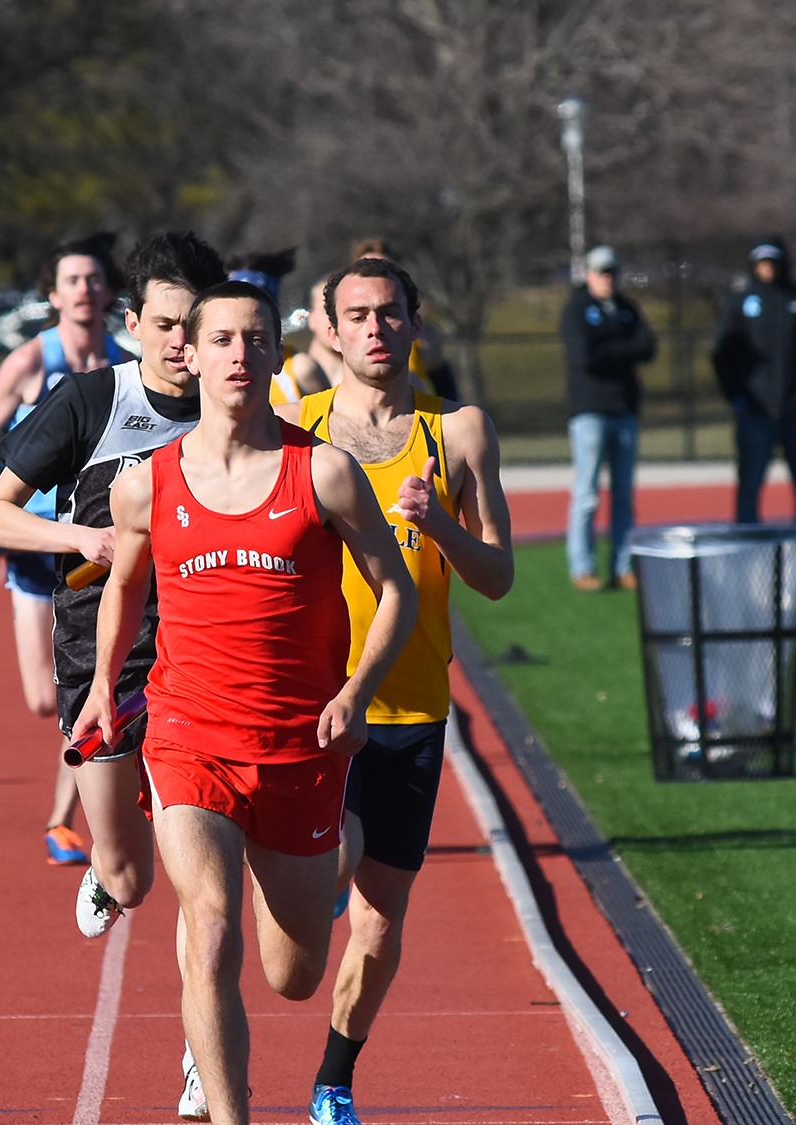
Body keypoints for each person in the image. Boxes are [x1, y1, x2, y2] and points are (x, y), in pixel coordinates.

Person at [73, 280, 417, 1125]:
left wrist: (356, 692)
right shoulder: (146, 483)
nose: (239, 354)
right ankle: (231, 1114)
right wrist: (98, 689)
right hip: (189, 736)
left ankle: (317, 865)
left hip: (300, 749)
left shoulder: (324, 472)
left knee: (293, 976)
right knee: (210, 925)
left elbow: (396, 590)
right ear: (190, 354)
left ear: (275, 352)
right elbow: (121, 588)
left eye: (255, 339)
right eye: (221, 339)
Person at [286, 257, 514, 1125]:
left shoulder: (457, 433)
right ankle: (210, 1032)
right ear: (331, 330)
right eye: (358, 315)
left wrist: (439, 522)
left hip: (411, 712)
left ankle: (333, 1081)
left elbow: (496, 577)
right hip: (313, 708)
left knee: (379, 923)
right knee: (309, 902)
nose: (375, 328)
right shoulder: (291, 428)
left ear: (415, 322)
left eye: (390, 313)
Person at [0, 228, 226, 925]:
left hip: (209, 660)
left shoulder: (236, 410)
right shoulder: (90, 401)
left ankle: (204, 1034)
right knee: (133, 875)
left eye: (195, 325)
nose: (181, 342)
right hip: (103, 659)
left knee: (210, 876)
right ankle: (107, 870)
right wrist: (87, 536)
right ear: (133, 323)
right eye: (166, 324)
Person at [0, 232, 130, 865]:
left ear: (110, 291)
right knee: (42, 696)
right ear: (52, 294)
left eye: (94, 279)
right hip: (36, 542)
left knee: (87, 681)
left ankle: (65, 818)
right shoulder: (34, 359)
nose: (85, 290)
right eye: (72, 281)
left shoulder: (124, 363)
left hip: (98, 548)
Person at [712, 234, 796, 586]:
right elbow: (723, 356)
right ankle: (747, 556)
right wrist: (738, 398)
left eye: (774, 262)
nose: (768, 269)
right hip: (755, 413)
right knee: (750, 486)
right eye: (762, 262)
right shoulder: (740, 302)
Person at [560, 244, 655, 592]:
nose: (608, 278)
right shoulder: (576, 309)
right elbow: (585, 356)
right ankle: (583, 566)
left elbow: (648, 346)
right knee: (587, 494)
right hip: (589, 412)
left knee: (623, 495)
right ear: (588, 275)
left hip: (625, 410)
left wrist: (611, 349)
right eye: (601, 272)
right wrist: (623, 350)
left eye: (612, 272)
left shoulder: (627, 307)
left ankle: (623, 565)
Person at [349, 237, 458, 399]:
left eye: (383, 271)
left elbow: (446, 390)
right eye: (366, 270)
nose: (375, 279)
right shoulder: (343, 337)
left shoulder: (426, 337)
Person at [278, 273, 345, 404]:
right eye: (327, 310)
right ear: (311, 318)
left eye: (344, 310)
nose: (335, 318)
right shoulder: (289, 370)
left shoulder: (365, 380)